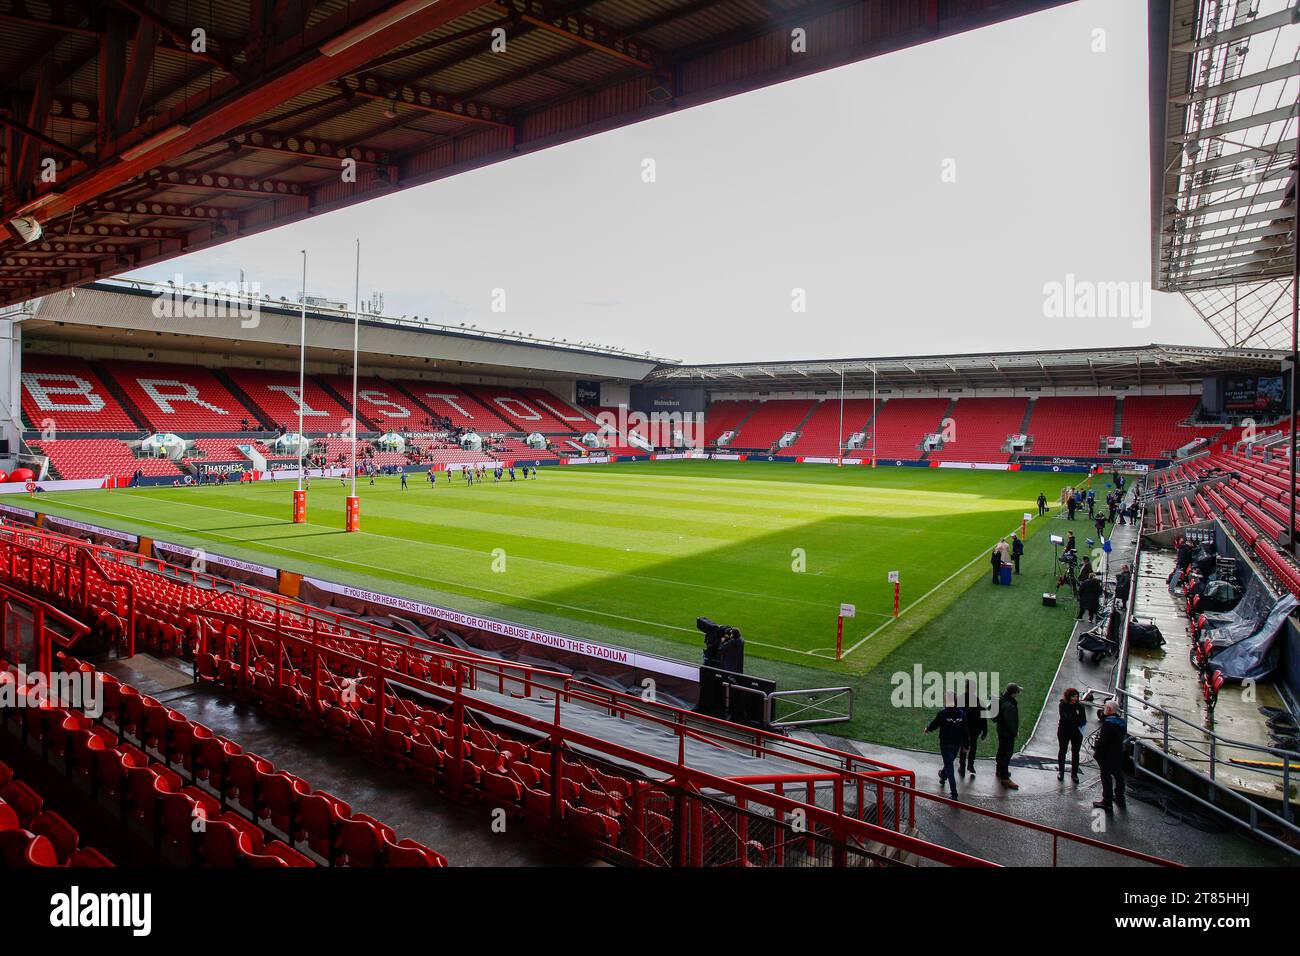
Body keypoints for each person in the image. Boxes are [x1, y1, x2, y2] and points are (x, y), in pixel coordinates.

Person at [923, 692, 968, 800]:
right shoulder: (961, 714)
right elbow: (965, 731)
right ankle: (943, 775)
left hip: (945, 743)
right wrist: (966, 745)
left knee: (949, 767)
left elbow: (935, 724)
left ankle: (954, 793)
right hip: (956, 743)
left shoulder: (943, 713)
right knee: (949, 764)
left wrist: (928, 729)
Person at [1092, 700, 1128, 811]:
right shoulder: (1122, 723)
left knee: (1106, 777)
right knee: (1118, 776)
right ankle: (1120, 797)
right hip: (1118, 753)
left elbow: (1103, 742)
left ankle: (1107, 801)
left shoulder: (1108, 724)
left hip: (1107, 755)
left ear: (1109, 709)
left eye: (1105, 708)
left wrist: (1097, 751)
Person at [993, 683, 1021, 789]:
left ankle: (999, 770)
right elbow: (1010, 722)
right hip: (1007, 733)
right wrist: (1015, 732)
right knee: (1006, 754)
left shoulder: (1004, 700)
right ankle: (1005, 778)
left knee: (1001, 751)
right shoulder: (1008, 705)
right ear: (1014, 694)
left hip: (1002, 731)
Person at [957, 680, 987, 777]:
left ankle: (962, 767)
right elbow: (983, 717)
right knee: (973, 746)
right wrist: (984, 731)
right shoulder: (979, 701)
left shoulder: (960, 699)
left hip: (963, 728)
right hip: (975, 729)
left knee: (963, 746)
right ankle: (971, 765)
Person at [1056, 688, 1087, 781]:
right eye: (1073, 696)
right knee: (1062, 750)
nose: (1075, 698)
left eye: (1076, 697)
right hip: (1064, 731)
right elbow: (1065, 718)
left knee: (1075, 752)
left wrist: (1073, 720)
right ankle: (1061, 771)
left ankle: (1074, 774)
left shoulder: (1080, 707)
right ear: (1068, 696)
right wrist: (1075, 720)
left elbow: (1083, 721)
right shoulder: (1062, 705)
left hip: (1076, 733)